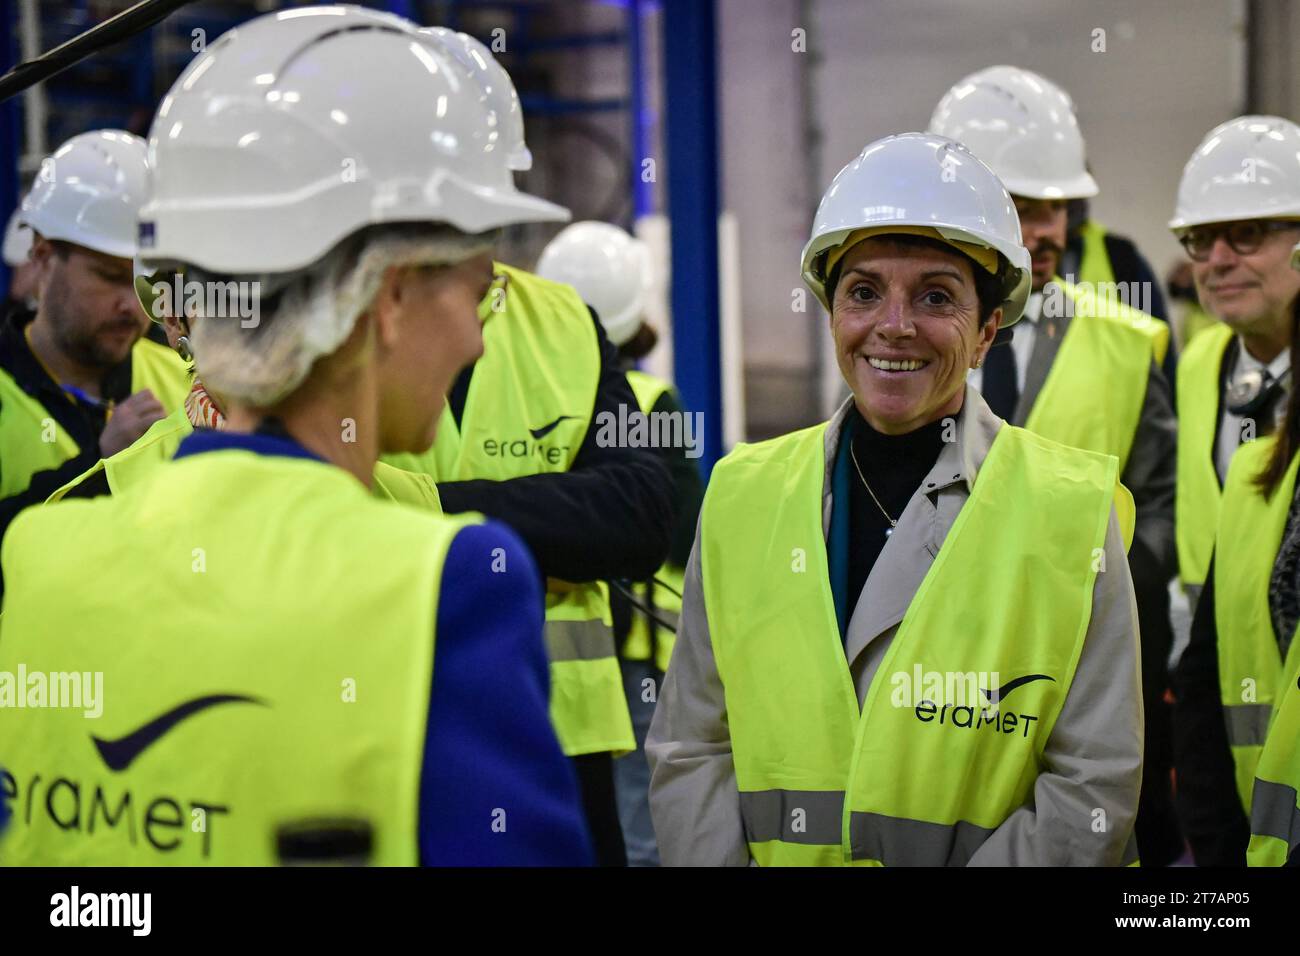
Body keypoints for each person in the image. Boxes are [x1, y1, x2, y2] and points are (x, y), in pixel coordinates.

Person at [0, 6, 591, 866]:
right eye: (470, 286)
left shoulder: (43, 555)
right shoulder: (444, 590)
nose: (475, 335)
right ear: (385, 298)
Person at [647, 132, 1142, 866]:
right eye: (864, 291)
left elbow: (1093, 783)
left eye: (936, 296)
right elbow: (691, 747)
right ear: (832, 314)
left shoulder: (1071, 510)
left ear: (986, 332)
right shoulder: (742, 494)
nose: (895, 325)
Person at [380, 31, 675, 867]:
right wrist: (545, 525)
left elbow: (641, 514)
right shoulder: (344, 335)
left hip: (563, 737)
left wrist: (430, 507)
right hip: (395, 721)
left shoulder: (566, 324)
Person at [929, 64, 1181, 866]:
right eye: (1020, 207)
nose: (1045, 229)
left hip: (1087, 661)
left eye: (1055, 207)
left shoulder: (1126, 335)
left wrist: (1121, 591)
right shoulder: (905, 343)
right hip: (947, 669)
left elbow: (1164, 498)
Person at [537, 220, 705, 866]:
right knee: (637, 826)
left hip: (541, 655)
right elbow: (687, 528)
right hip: (634, 651)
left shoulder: (528, 400)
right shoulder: (652, 402)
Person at [1173, 218, 1300, 867]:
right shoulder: (1197, 364)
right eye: (1201, 241)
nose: (1218, 259)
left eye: (1247, 235)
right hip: (1222, 721)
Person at [0, 131, 189, 558]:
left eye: (147, 281)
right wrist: (98, 463)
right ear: (44, 257)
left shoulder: (189, 380)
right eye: (110, 276)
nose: (133, 303)